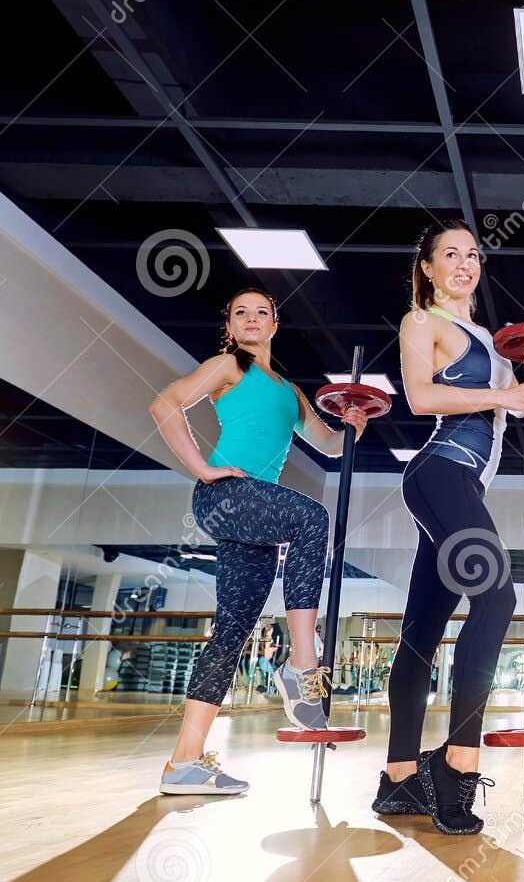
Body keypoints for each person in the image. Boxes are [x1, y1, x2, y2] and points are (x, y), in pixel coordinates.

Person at [148, 287, 368, 795]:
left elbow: (330, 445)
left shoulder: (289, 392)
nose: (251, 319)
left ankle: (183, 763)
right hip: (227, 496)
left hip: (255, 517)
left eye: (261, 312)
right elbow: (165, 404)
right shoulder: (229, 367)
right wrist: (202, 469)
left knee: (231, 632)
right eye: (240, 311)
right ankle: (300, 663)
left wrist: (352, 423)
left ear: (275, 325)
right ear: (230, 324)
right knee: (312, 519)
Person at [374, 221, 524, 835]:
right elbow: (421, 399)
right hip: (439, 472)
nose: (464, 263)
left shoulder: (490, 339)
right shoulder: (422, 322)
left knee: (421, 633)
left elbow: (516, 402)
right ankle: (457, 764)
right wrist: (506, 396)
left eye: (473, 254)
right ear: (426, 266)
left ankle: (398, 780)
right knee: (498, 598)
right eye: (449, 254)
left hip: (464, 483)